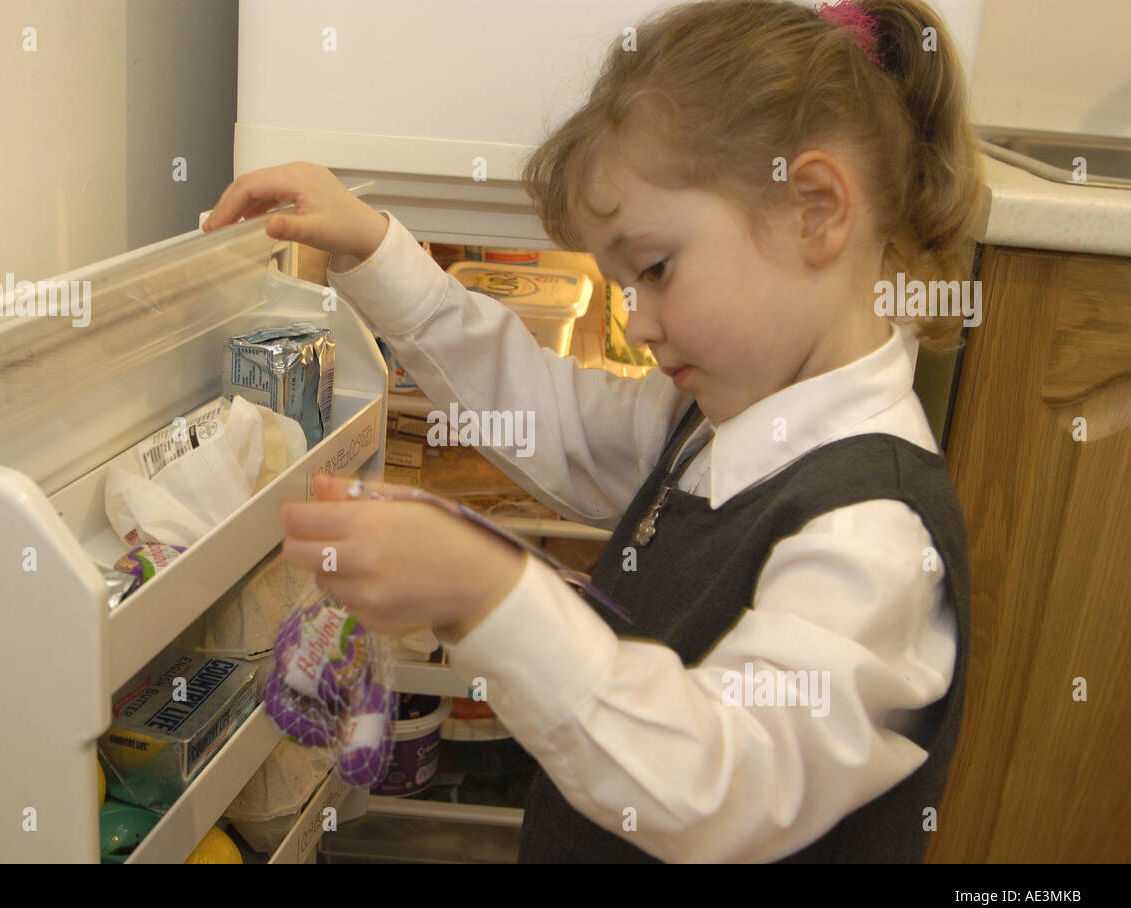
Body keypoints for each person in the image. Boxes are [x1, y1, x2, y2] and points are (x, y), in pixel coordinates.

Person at [202, 0, 982, 863]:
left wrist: (485, 590)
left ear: (816, 209)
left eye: (654, 269)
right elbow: (550, 415)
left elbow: (719, 784)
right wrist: (379, 254)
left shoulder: (874, 535)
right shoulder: (717, 419)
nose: (638, 323)